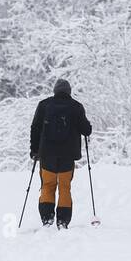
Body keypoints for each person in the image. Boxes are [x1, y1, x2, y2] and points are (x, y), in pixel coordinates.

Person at [30, 78, 92, 228]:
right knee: (64, 187)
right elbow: (86, 130)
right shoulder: (76, 107)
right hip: (67, 156)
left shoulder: (44, 105)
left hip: (47, 155)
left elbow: (35, 128)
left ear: (55, 91)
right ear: (69, 92)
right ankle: (63, 221)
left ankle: (47, 219)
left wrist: (34, 150)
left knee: (48, 185)